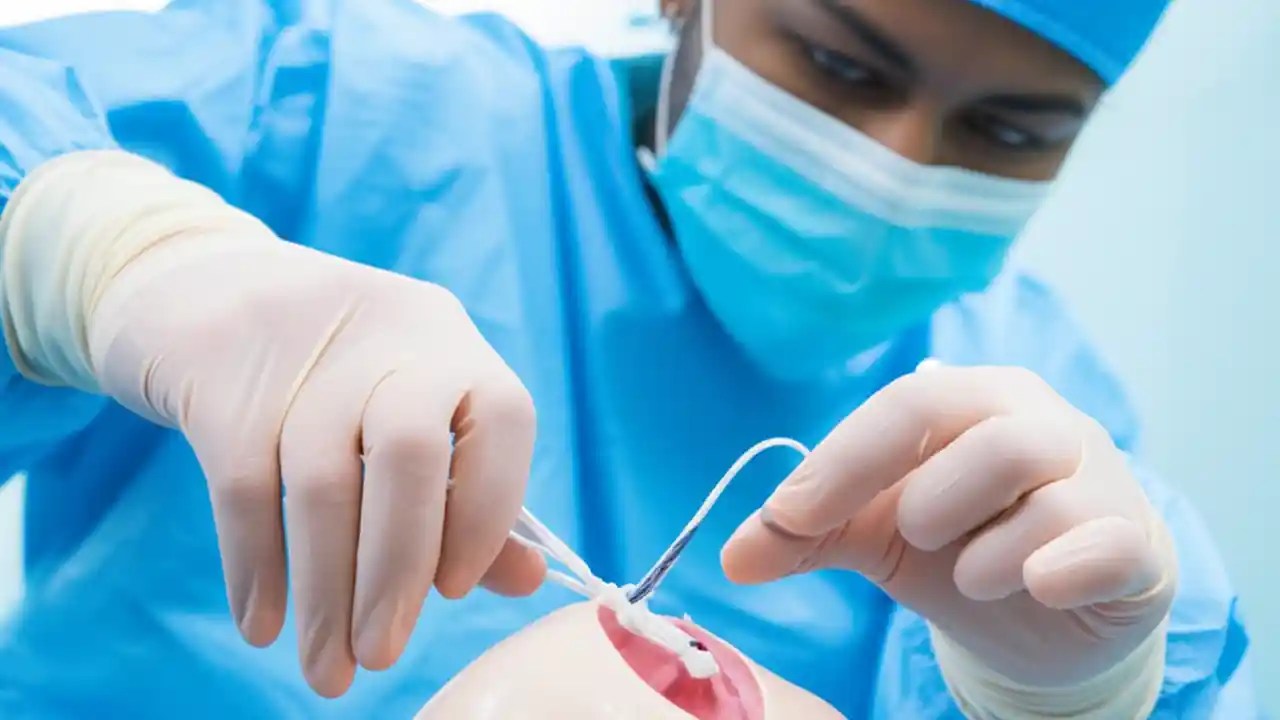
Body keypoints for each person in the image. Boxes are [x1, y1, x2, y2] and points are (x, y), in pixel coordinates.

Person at [0, 0, 1256, 717]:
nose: (894, 159)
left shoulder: (1031, 412)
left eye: (1010, 131)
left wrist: (1063, 704)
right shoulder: (335, 118)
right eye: (835, 59)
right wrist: (98, 252)